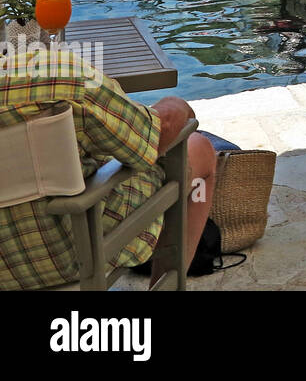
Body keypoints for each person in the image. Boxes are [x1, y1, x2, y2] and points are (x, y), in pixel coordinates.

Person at [0, 48, 217, 289]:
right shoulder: (55, 76)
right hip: (78, 254)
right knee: (200, 149)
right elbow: (156, 135)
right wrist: (175, 104)